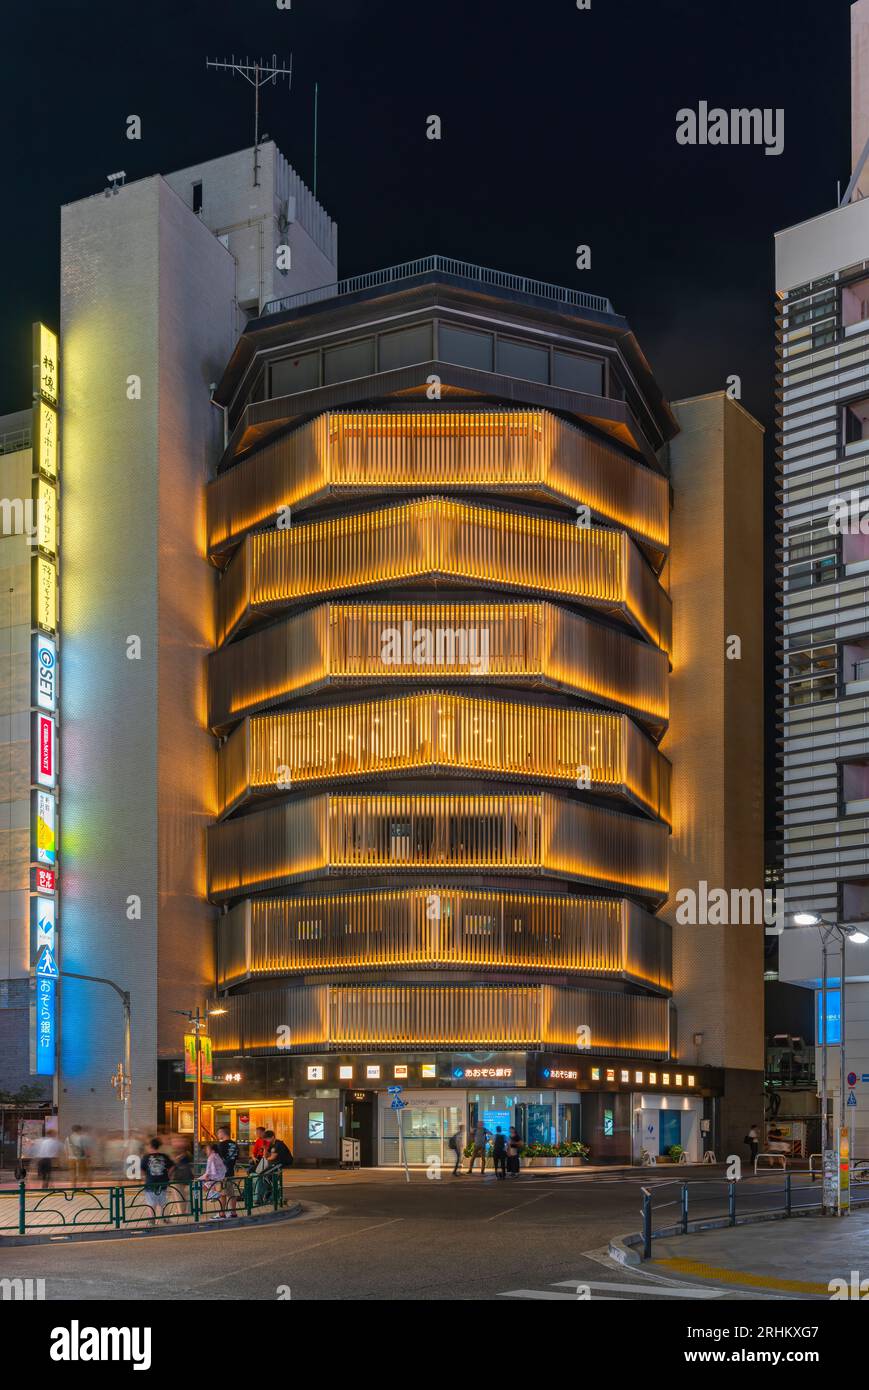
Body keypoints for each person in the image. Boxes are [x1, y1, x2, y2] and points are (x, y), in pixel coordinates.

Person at [141, 1138, 174, 1224]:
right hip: (163, 1182)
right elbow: (172, 1166)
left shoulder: (146, 1157)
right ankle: (166, 1218)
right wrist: (168, 1176)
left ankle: (152, 1220)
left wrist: (145, 1177)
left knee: (151, 1202)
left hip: (150, 1183)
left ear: (150, 1146)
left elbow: (142, 1170)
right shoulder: (164, 1156)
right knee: (163, 1201)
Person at [216, 1125, 240, 1218]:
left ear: (222, 1133)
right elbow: (236, 1158)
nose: (218, 1135)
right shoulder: (234, 1145)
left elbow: (217, 1159)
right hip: (231, 1172)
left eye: (218, 1133)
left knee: (223, 1194)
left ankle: (222, 1213)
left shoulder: (221, 1145)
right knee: (231, 1194)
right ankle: (233, 1212)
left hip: (223, 1173)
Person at [203, 1142, 227, 1219]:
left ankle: (213, 1195)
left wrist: (206, 1176)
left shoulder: (211, 1157)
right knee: (223, 1195)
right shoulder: (218, 1156)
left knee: (199, 1184)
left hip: (215, 1178)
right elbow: (223, 1168)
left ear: (212, 1150)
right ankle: (222, 1213)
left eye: (207, 1149)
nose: (206, 1151)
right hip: (221, 1177)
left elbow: (210, 1170)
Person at [66, 1125, 91, 1190]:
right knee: (85, 1173)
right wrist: (88, 1158)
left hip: (71, 1158)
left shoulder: (68, 1138)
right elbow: (85, 1148)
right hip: (81, 1158)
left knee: (73, 1173)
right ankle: (87, 1187)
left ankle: (73, 1187)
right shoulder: (82, 1138)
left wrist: (68, 1157)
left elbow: (66, 1149)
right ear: (80, 1130)